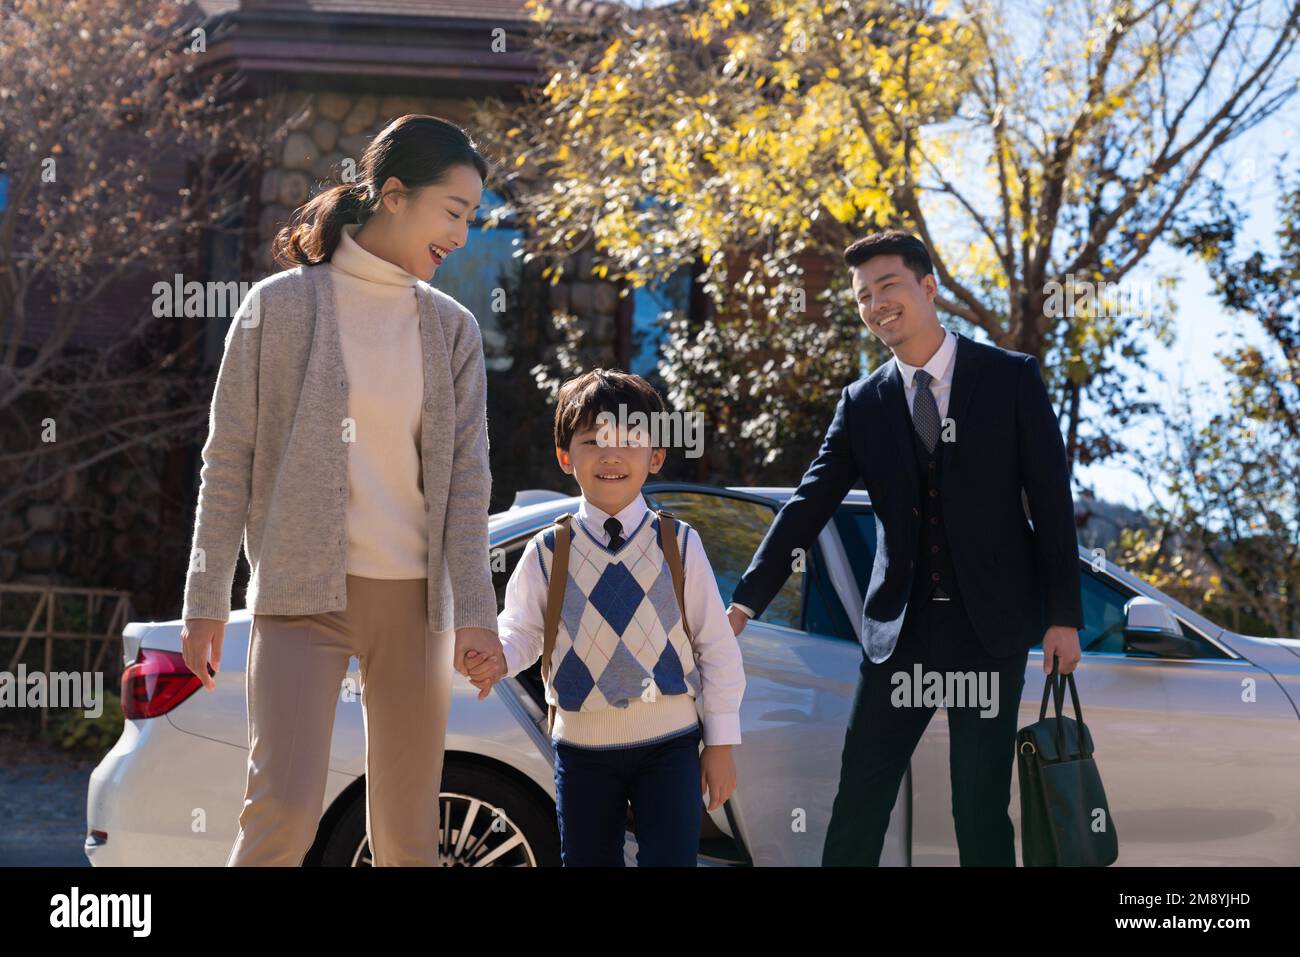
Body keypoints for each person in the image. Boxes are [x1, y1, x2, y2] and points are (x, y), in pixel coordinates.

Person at [179, 115, 503, 866]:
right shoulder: (279, 307)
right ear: (394, 195)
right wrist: (204, 599)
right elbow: (228, 459)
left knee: (408, 837)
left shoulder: (452, 330)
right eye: (454, 213)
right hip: (301, 596)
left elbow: (466, 487)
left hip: (414, 606)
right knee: (282, 815)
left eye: (473, 219)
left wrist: (477, 617)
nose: (462, 235)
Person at [726, 231, 1084, 866]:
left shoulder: (1009, 378)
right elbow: (809, 504)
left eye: (887, 286)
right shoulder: (863, 403)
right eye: (863, 296)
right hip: (900, 633)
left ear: (928, 287)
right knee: (861, 797)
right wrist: (745, 603)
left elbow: (1052, 502)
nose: (875, 304)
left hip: (989, 629)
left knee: (978, 807)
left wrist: (1063, 615)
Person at [467, 369, 745, 866]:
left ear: (655, 456)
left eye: (629, 441)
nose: (610, 455)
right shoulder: (547, 550)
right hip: (581, 751)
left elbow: (715, 647)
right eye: (592, 440)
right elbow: (523, 631)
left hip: (671, 746)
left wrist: (720, 742)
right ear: (565, 457)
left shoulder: (679, 544)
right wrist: (499, 658)